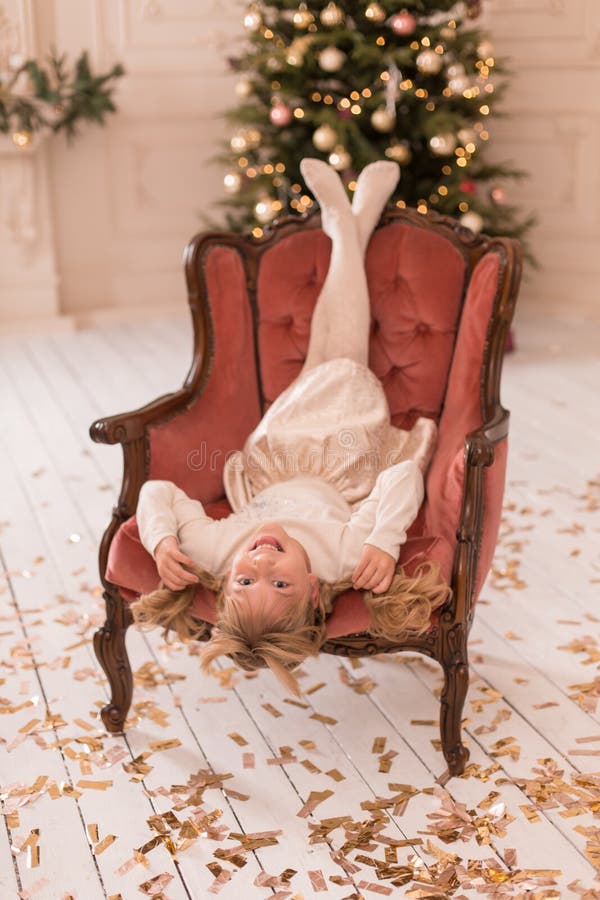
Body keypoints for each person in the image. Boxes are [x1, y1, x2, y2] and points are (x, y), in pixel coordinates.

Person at [132, 158, 449, 695]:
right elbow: (403, 480)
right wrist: (385, 541)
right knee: (341, 357)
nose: (261, 558)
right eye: (279, 583)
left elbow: (156, 491)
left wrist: (161, 542)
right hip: (342, 460)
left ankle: (352, 226)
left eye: (245, 578)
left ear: (224, 582)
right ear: (313, 588)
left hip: (278, 455)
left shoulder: (215, 553)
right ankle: (346, 225)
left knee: (325, 359)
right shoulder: (344, 558)